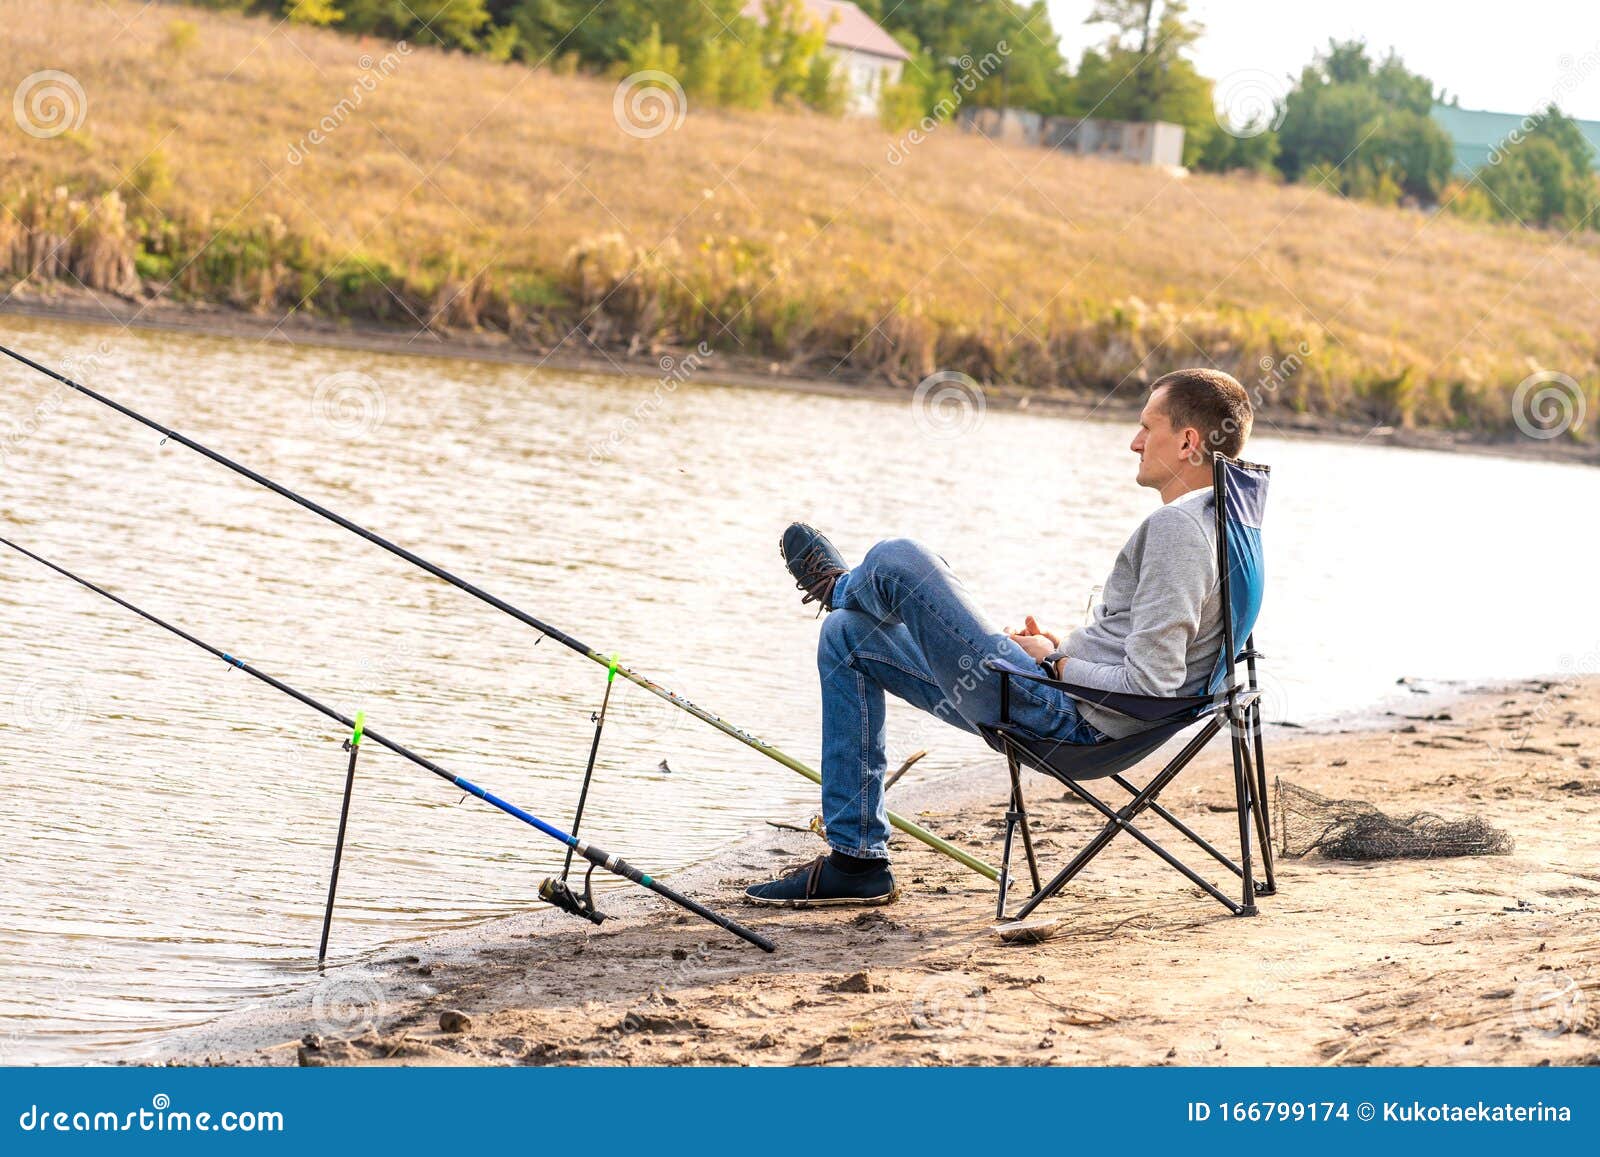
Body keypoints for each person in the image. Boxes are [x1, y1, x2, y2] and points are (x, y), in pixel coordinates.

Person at [743, 367, 1254, 908]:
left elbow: (1150, 685)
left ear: (1189, 441)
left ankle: (841, 585)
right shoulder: (1231, 517)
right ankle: (858, 861)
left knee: (899, 560)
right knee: (846, 637)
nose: (1134, 442)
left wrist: (1057, 667)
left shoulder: (1179, 530)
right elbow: (1154, 659)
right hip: (1079, 708)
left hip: (1066, 721)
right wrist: (1060, 650)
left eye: (1147, 428)